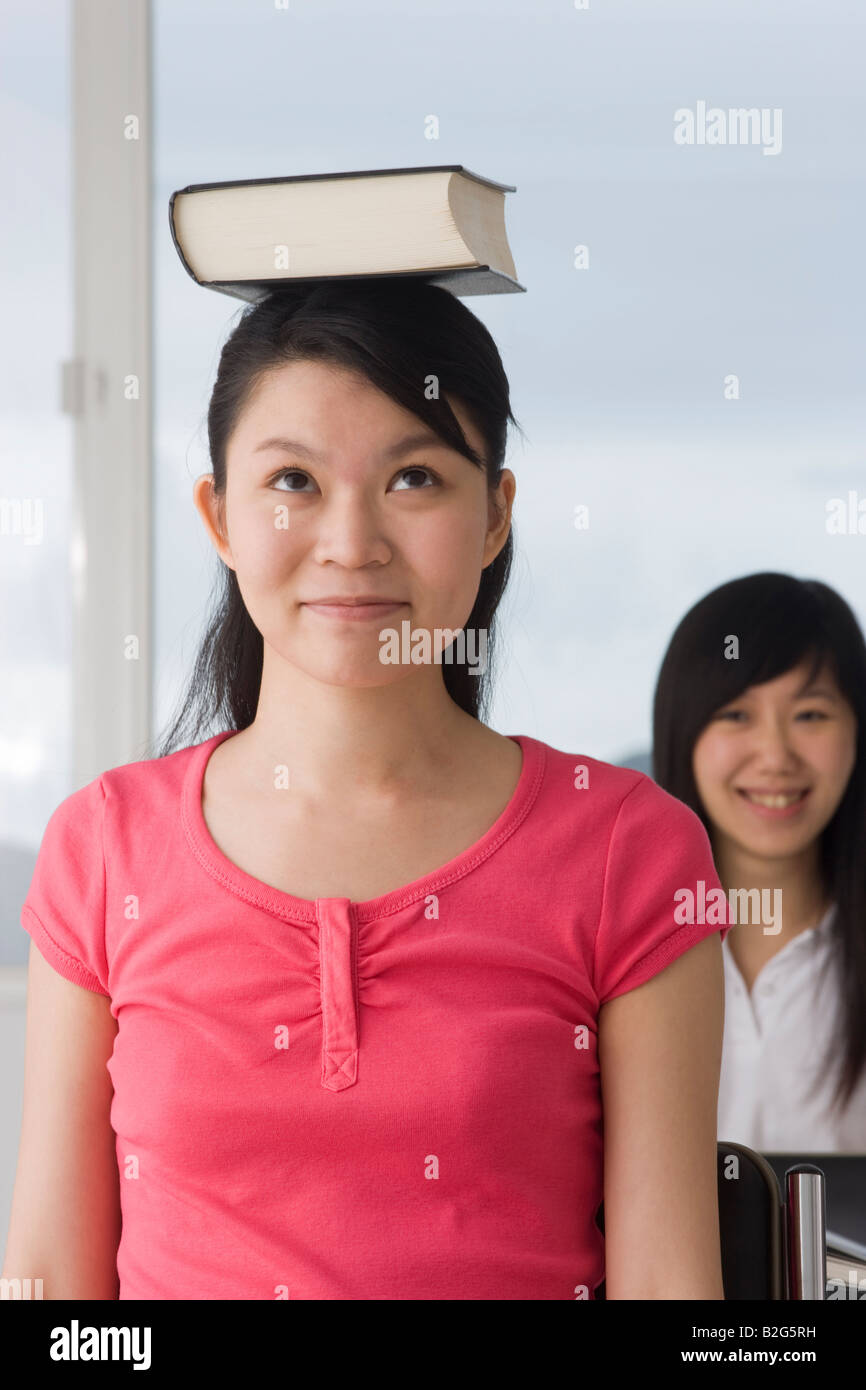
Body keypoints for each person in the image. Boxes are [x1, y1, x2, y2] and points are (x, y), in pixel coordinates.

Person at [4, 279, 729, 1300]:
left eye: (415, 477)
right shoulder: (102, 847)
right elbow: (49, 1280)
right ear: (218, 515)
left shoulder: (629, 849)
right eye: (292, 480)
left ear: (493, 517)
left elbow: (667, 1287)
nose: (351, 543)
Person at [653, 572, 866, 1152]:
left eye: (811, 715)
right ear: (684, 730)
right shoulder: (621, 953)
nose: (775, 757)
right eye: (736, 715)